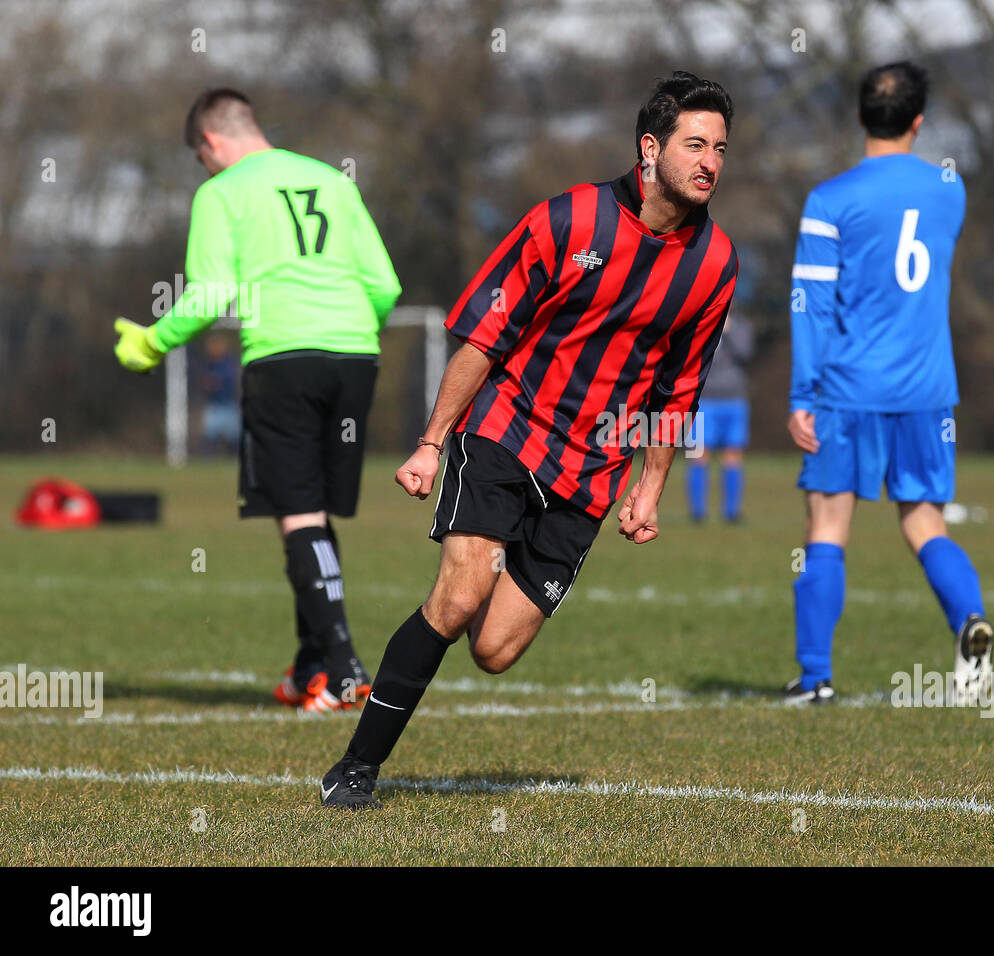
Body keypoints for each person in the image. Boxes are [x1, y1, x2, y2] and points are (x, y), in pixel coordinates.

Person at [317, 71, 738, 809]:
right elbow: (484, 338)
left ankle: (491, 554)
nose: (710, 162)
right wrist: (430, 441)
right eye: (695, 144)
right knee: (456, 600)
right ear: (650, 148)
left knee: (494, 650)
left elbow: (680, 388)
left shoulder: (716, 264)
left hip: (594, 468)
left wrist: (650, 485)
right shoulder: (568, 221)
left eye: (721, 150)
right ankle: (354, 771)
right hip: (508, 429)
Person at [112, 87, 402, 712]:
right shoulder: (333, 180)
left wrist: (151, 343)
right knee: (315, 513)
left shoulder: (222, 191)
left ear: (212, 142)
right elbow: (385, 284)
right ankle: (311, 667)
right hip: (356, 356)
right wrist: (348, 329)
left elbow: (210, 291)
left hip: (283, 359)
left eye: (201, 158)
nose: (205, 169)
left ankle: (346, 667)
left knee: (296, 512)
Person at [785, 61, 992, 706]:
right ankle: (969, 625)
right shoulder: (949, 191)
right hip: (930, 391)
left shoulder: (830, 199)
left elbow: (811, 306)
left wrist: (801, 393)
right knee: (926, 521)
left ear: (859, 117)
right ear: (920, 121)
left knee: (826, 525)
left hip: (848, 388)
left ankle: (815, 678)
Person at [685, 313, 754, 522]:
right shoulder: (699, 322)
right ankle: (698, 512)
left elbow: (746, 353)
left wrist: (728, 329)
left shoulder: (742, 325)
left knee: (732, 455)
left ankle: (731, 513)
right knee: (698, 455)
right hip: (702, 400)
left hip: (734, 400)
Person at [198, 335, 240, 456]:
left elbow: (229, 379)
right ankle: (209, 463)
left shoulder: (228, 363)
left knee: (233, 438)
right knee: (210, 437)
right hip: (214, 405)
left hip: (227, 405)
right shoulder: (210, 364)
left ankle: (233, 460)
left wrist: (215, 382)